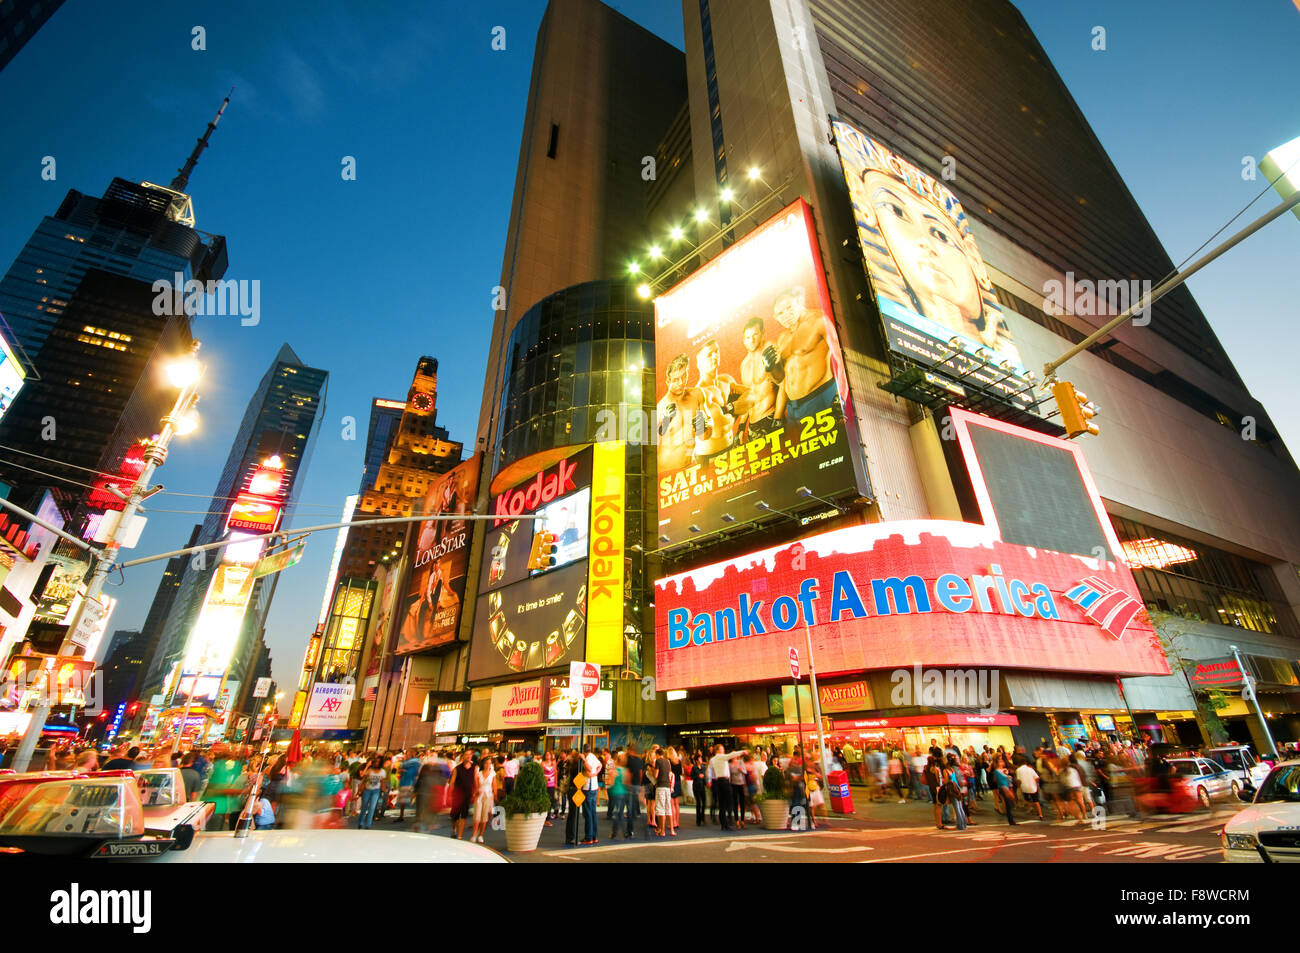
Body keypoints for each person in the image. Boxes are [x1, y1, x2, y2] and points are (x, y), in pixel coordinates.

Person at [708, 743, 748, 831]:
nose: (723, 750)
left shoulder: (713, 759)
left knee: (722, 804)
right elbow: (732, 754)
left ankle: (724, 824)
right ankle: (728, 822)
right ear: (718, 750)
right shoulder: (721, 757)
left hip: (718, 781)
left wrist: (710, 780)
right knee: (729, 801)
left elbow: (710, 770)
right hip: (725, 781)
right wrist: (743, 752)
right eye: (722, 749)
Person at [448, 750, 476, 840]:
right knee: (454, 816)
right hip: (457, 795)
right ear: (462, 756)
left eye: (469, 755)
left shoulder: (474, 768)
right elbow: (452, 782)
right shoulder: (457, 768)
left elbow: (475, 780)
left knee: (464, 815)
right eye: (466, 755)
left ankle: (460, 836)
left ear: (471, 756)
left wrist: (475, 791)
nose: (468, 756)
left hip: (467, 795)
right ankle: (454, 830)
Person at [471, 756, 495, 844]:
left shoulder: (493, 773)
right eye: (486, 763)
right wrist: (476, 793)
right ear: (483, 764)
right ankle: (474, 835)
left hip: (488, 796)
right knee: (477, 817)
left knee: (484, 817)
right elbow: (476, 785)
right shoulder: (479, 773)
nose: (488, 765)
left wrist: (493, 797)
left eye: (489, 763)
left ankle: (481, 835)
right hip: (479, 796)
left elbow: (494, 786)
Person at [358, 757, 386, 830]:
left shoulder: (382, 771)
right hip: (367, 790)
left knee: (372, 807)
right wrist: (360, 790)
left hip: (376, 790)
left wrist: (383, 789)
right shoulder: (370, 770)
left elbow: (382, 781)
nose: (376, 763)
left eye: (378, 762)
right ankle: (360, 822)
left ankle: (368, 824)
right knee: (364, 807)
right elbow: (364, 779)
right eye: (375, 761)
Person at [623, 743, 644, 839]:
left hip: (630, 786)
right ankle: (637, 814)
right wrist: (639, 784)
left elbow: (628, 774)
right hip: (637, 785)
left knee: (630, 808)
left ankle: (630, 830)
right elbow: (640, 773)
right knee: (635, 803)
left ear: (630, 750)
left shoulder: (628, 761)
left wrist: (627, 784)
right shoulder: (639, 760)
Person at [580, 745, 601, 845]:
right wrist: (596, 773)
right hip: (594, 787)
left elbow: (588, 769)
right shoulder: (593, 756)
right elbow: (600, 765)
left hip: (588, 787)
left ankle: (589, 837)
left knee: (588, 813)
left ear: (583, 751)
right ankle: (594, 836)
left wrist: (584, 760)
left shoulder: (587, 758)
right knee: (593, 813)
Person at [653, 747, 674, 837]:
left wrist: (653, 771)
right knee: (668, 808)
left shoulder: (658, 761)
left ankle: (662, 831)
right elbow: (670, 775)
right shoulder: (667, 762)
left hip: (660, 786)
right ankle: (672, 830)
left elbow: (656, 775)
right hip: (667, 787)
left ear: (657, 754)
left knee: (660, 809)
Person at [691, 750, 709, 826]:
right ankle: (698, 820)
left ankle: (702, 817)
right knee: (698, 803)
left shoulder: (703, 767)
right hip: (696, 786)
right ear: (696, 760)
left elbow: (704, 777)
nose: (701, 760)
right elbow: (692, 776)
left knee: (704, 803)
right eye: (700, 759)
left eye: (701, 759)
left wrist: (706, 784)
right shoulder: (694, 768)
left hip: (702, 786)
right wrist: (697, 776)